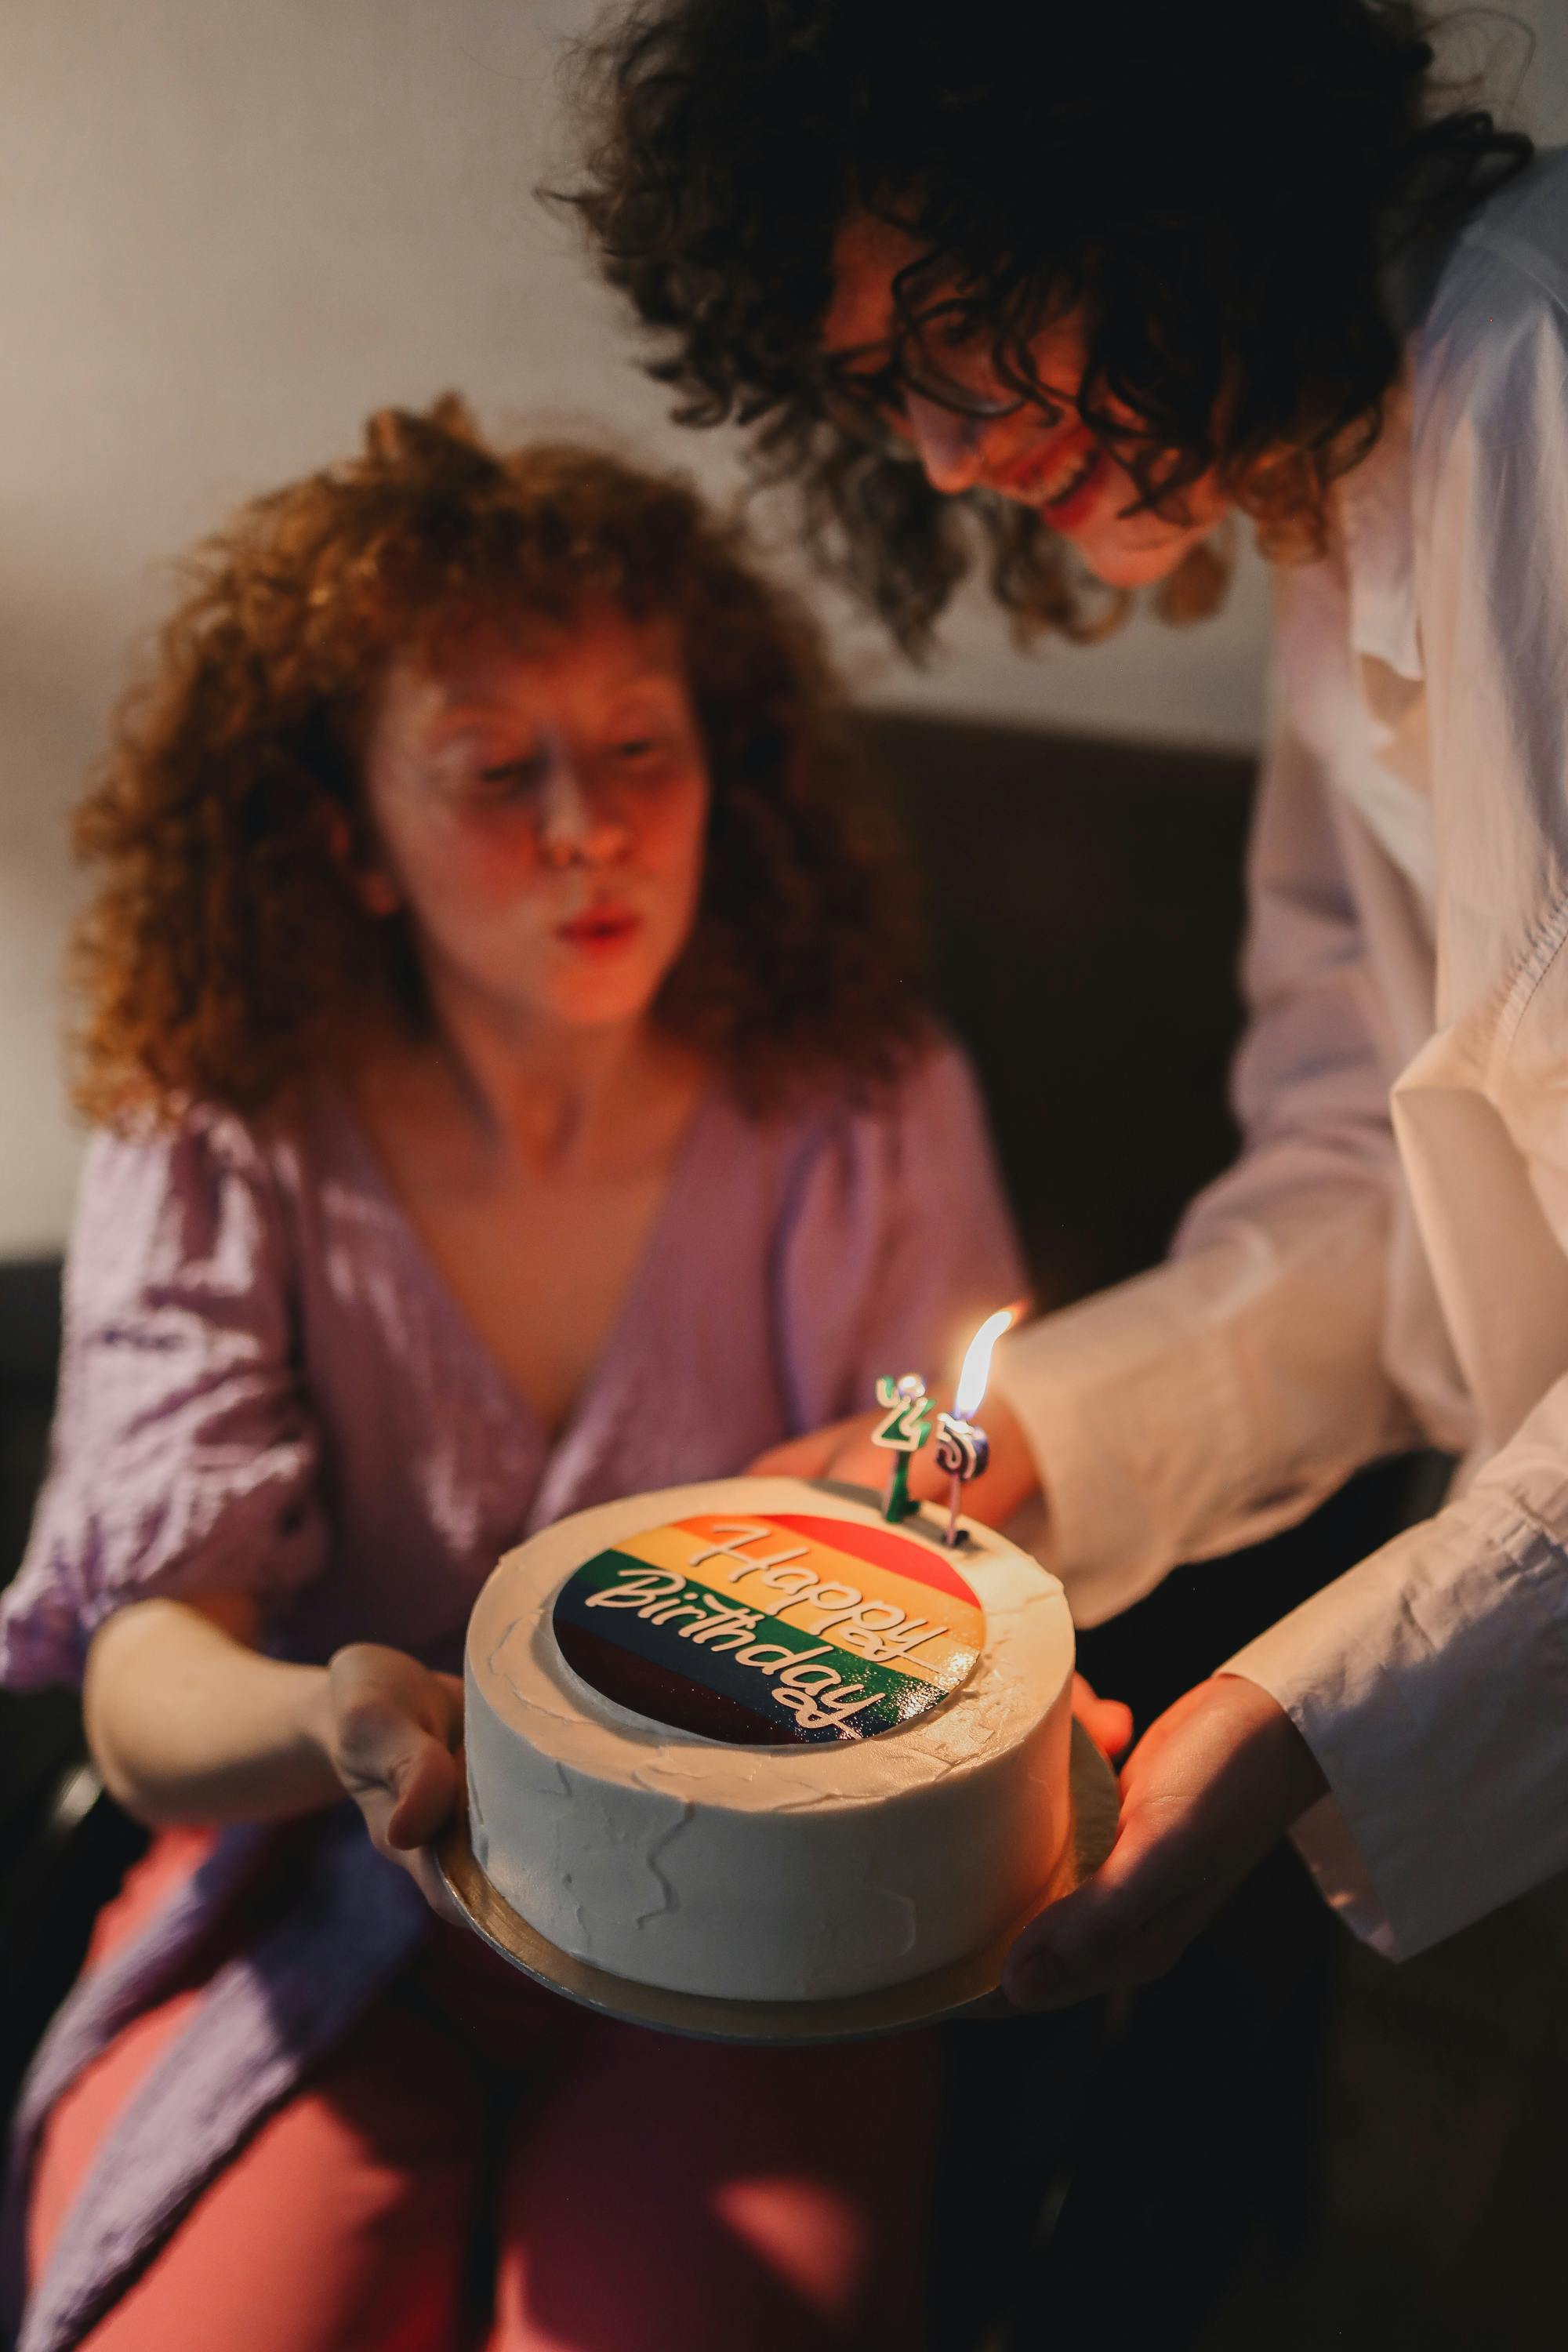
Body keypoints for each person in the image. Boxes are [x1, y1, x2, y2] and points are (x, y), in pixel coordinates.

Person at [0, 397, 1043, 2352]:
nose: (592, 828)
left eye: (641, 747)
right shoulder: (220, 1132)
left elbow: (983, 1500)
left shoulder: (863, 1107)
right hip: (327, 1920)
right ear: (349, 838)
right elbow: (146, 1694)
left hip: (753, 1930)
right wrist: (346, 1723)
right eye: (494, 770)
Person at [564, 0, 1568, 2005]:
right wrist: (1015, 1455)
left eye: (964, 323)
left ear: (1161, 157)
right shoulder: (1334, 493)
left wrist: (1283, 1715)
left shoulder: (1536, 377)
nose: (948, 451)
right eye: (878, 387)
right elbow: (1373, 1183)